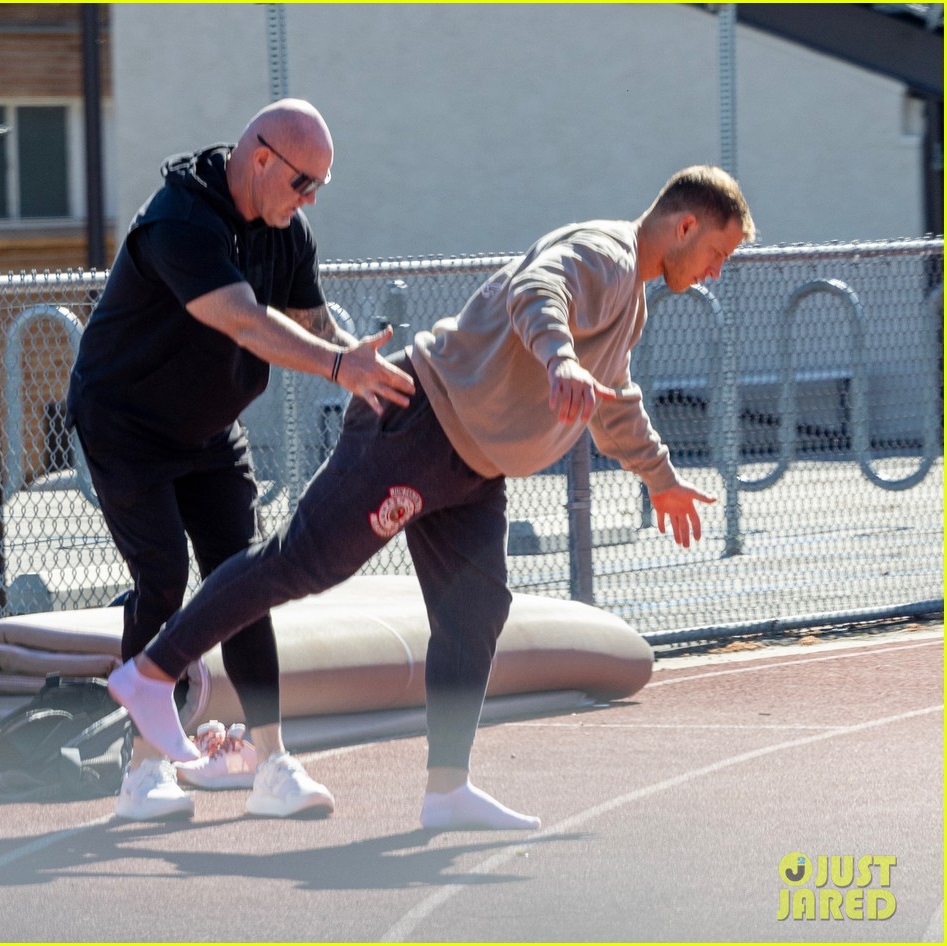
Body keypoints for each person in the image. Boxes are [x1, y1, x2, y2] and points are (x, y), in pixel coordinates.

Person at [109, 165, 756, 830]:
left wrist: (661, 476)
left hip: (474, 470)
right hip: (419, 428)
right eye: (716, 253)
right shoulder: (606, 254)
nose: (714, 272)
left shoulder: (631, 300)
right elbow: (538, 289)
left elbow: (613, 399)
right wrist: (559, 358)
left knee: (474, 610)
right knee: (301, 562)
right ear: (684, 226)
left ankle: (447, 792)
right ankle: (152, 674)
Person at [68, 98, 415, 822]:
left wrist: (387, 379)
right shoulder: (179, 221)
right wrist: (336, 367)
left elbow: (318, 328)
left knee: (249, 575)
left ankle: (273, 763)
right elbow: (245, 321)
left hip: (208, 429)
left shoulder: (288, 230)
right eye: (302, 182)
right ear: (261, 159)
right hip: (125, 424)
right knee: (161, 580)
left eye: (321, 185)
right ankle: (143, 774)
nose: (310, 198)